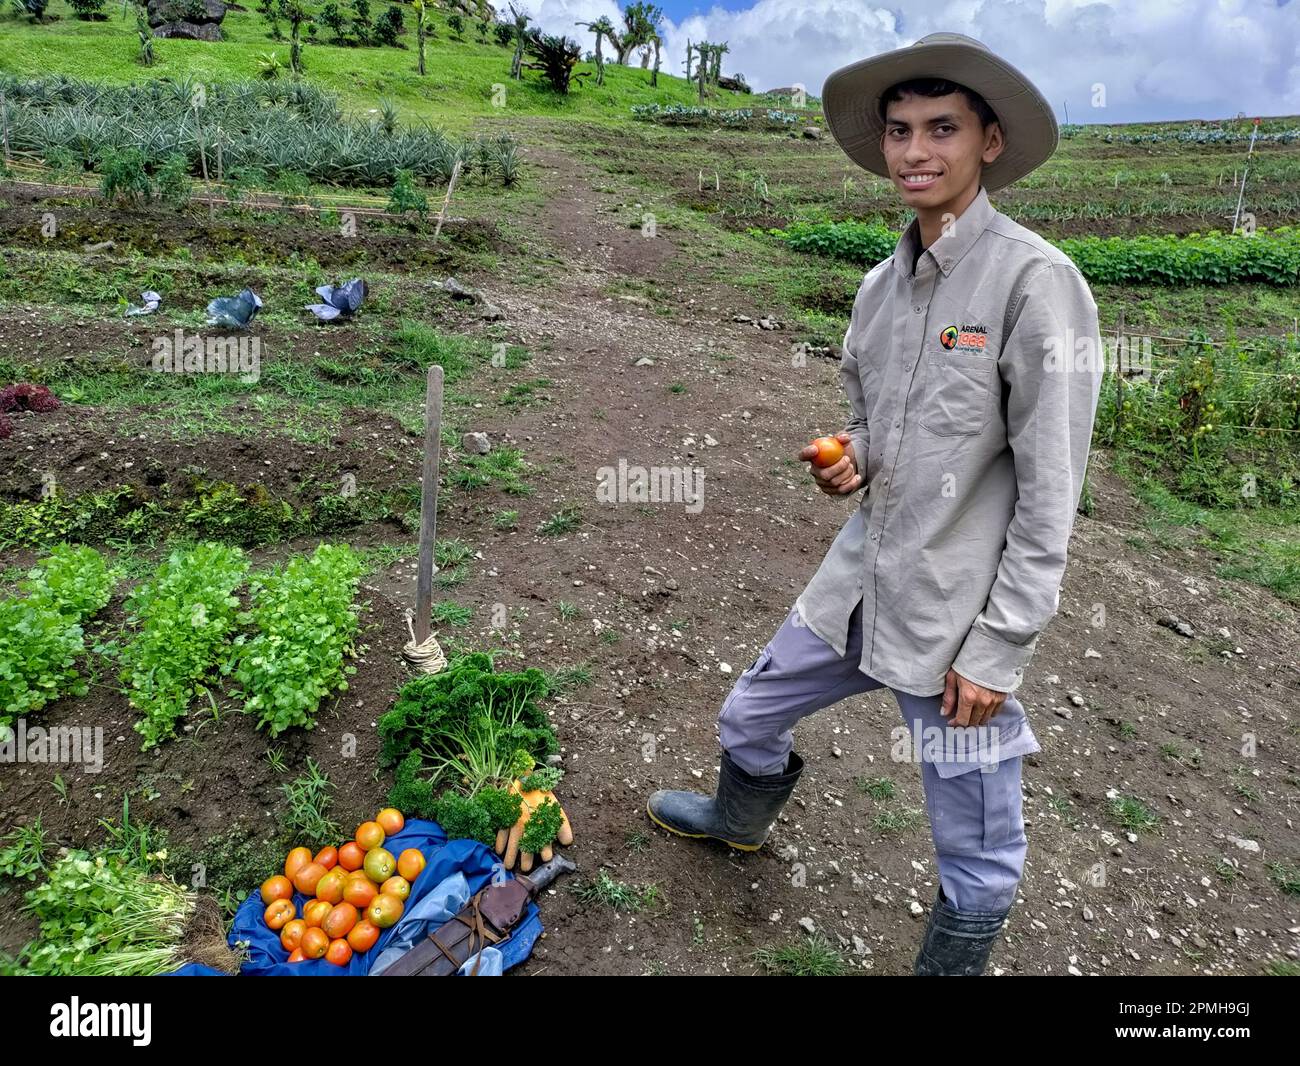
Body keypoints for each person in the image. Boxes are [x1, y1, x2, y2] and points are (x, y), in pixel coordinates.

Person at [646, 32, 1104, 976]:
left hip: (953, 615)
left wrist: (1001, 645)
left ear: (991, 142)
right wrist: (848, 461)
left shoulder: (1036, 284)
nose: (914, 152)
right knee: (748, 715)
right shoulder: (876, 289)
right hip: (858, 582)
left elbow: (1052, 489)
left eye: (943, 128)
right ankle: (738, 821)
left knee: (975, 842)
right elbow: (870, 427)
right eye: (899, 130)